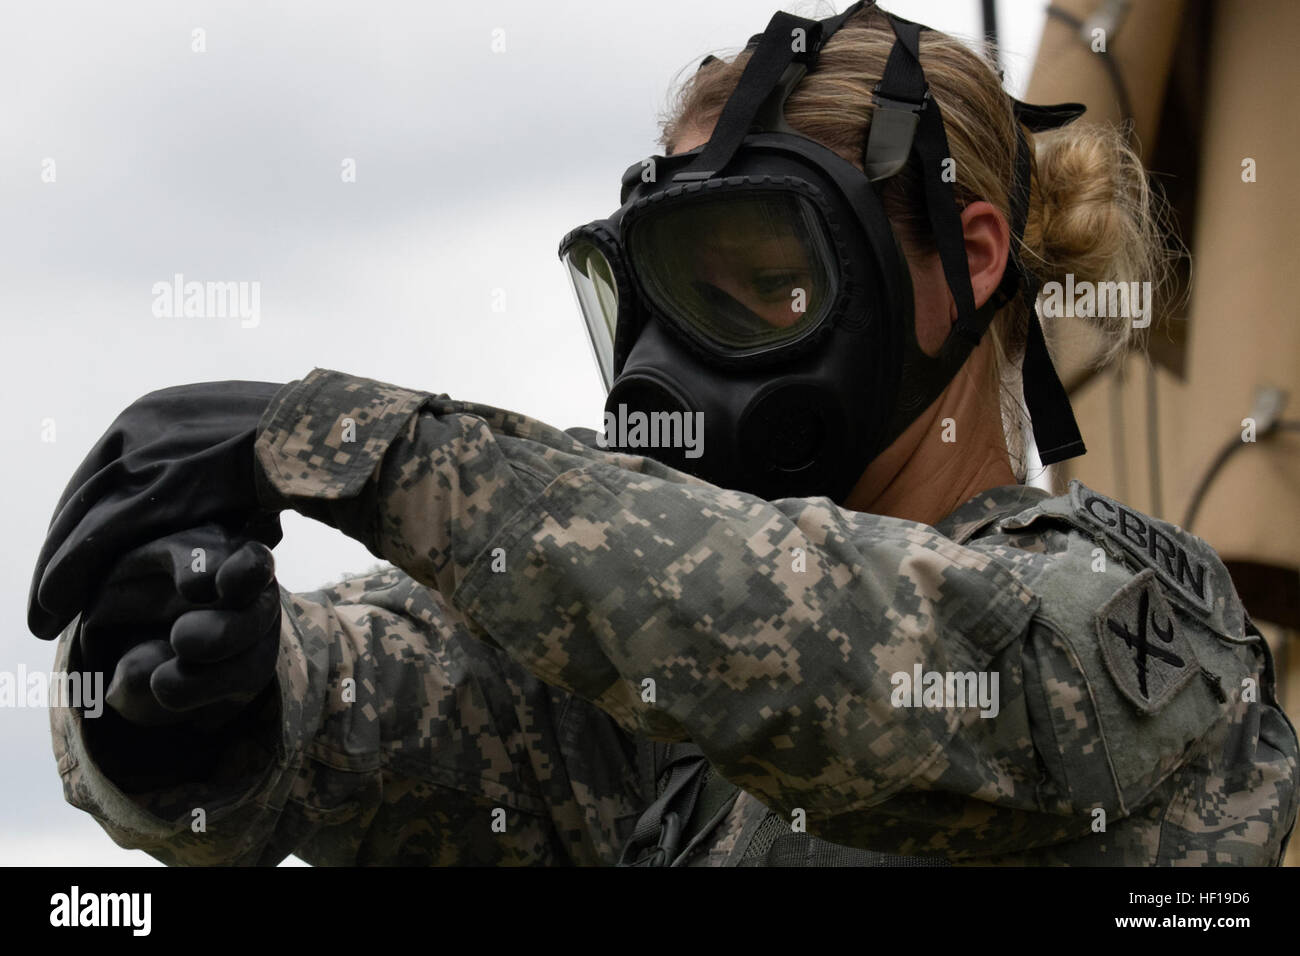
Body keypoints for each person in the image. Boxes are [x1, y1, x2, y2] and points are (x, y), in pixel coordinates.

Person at [28, 2, 1297, 866]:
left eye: (758, 275)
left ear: (964, 266)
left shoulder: (1140, 625)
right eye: (651, 292)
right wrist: (195, 683)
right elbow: (363, 702)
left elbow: (844, 646)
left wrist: (356, 444)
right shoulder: (657, 715)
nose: (675, 356)